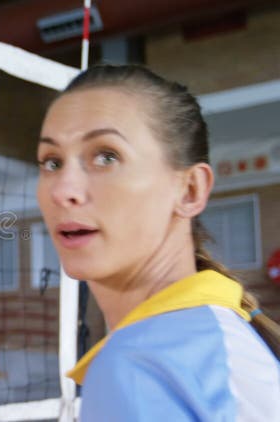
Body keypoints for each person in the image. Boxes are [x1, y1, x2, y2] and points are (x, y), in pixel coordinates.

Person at [36, 64, 280, 420]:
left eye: (107, 156)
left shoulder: (137, 365)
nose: (62, 190)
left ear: (190, 190)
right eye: (52, 162)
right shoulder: (220, 333)